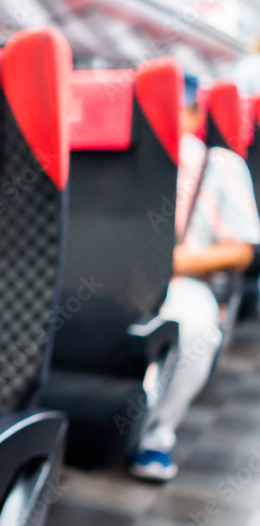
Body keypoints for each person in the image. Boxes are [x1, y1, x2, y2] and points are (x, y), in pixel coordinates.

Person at [130, 74, 260, 482]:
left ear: (193, 114)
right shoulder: (125, 160)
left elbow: (241, 249)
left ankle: (157, 432)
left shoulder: (218, 165)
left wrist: (175, 262)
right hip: (116, 280)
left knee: (194, 328)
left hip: (183, 279)